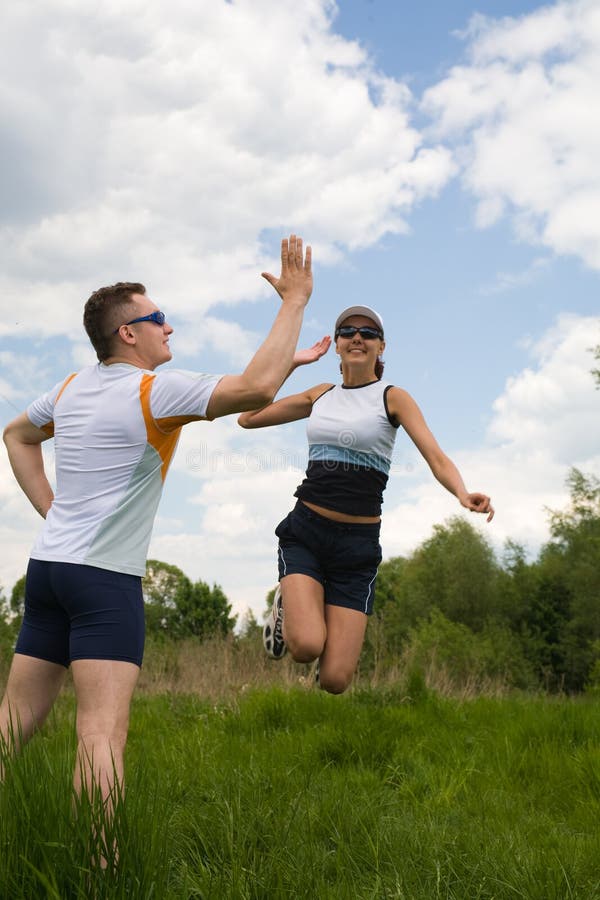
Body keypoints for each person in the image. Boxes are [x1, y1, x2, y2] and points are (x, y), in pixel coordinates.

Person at [0, 235, 313, 839]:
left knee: (12, 723)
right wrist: (294, 301)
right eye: (158, 320)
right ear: (128, 334)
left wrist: (53, 513)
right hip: (103, 582)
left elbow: (15, 436)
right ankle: (97, 877)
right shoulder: (151, 392)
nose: (169, 329)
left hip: (47, 573)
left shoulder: (68, 390)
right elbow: (254, 390)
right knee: (100, 734)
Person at [238, 304, 494, 695]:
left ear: (381, 347)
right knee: (305, 647)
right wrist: (293, 363)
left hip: (356, 549)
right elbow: (249, 416)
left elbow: (437, 457)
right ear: (337, 346)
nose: (357, 336)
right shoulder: (320, 393)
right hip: (307, 532)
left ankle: (304, 601)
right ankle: (290, 602)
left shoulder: (393, 397)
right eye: (347, 331)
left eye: (368, 332)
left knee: (335, 680)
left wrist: (462, 493)